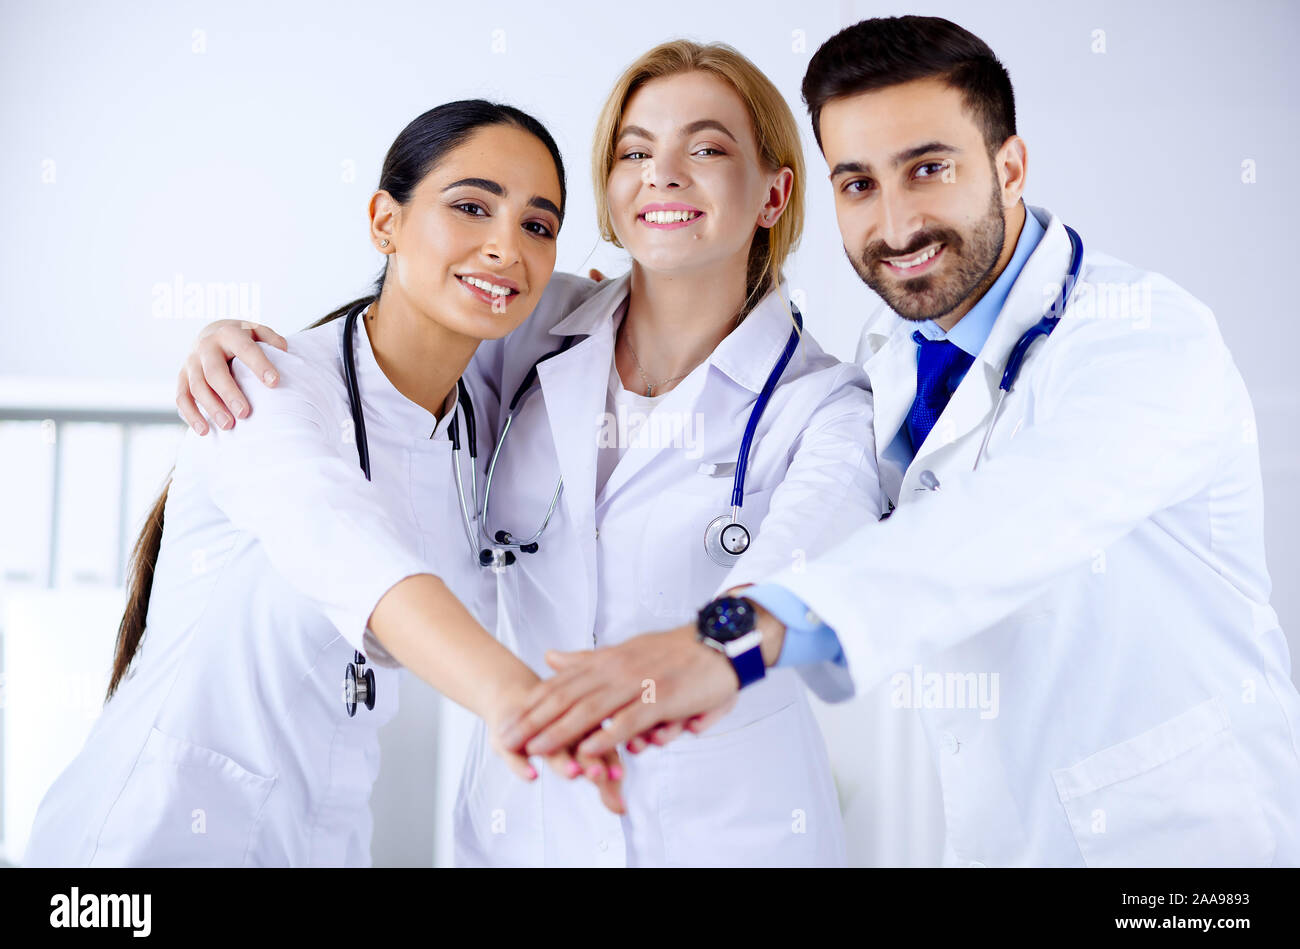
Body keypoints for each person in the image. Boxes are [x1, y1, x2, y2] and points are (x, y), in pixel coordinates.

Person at [498, 16, 1300, 867]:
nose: (896, 223)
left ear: (1010, 166)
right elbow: (848, 518)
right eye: (858, 184)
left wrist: (736, 633)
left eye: (927, 169)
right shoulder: (890, 364)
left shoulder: (1141, 336)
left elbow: (1021, 515)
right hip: (1001, 836)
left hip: (1183, 853)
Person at [175, 41, 879, 866]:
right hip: (526, 822)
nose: (664, 173)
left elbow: (813, 558)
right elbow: (392, 343)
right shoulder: (530, 328)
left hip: (732, 832)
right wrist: (246, 344)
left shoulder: (825, 403)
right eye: (634, 151)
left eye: (708, 147)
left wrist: (706, 646)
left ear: (774, 192)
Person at [24, 100, 619, 868]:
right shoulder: (262, 387)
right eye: (471, 206)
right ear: (385, 222)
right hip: (140, 845)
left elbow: (659, 303)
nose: (506, 246)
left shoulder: (479, 410)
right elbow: (342, 541)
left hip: (321, 841)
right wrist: (521, 701)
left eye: (538, 224)